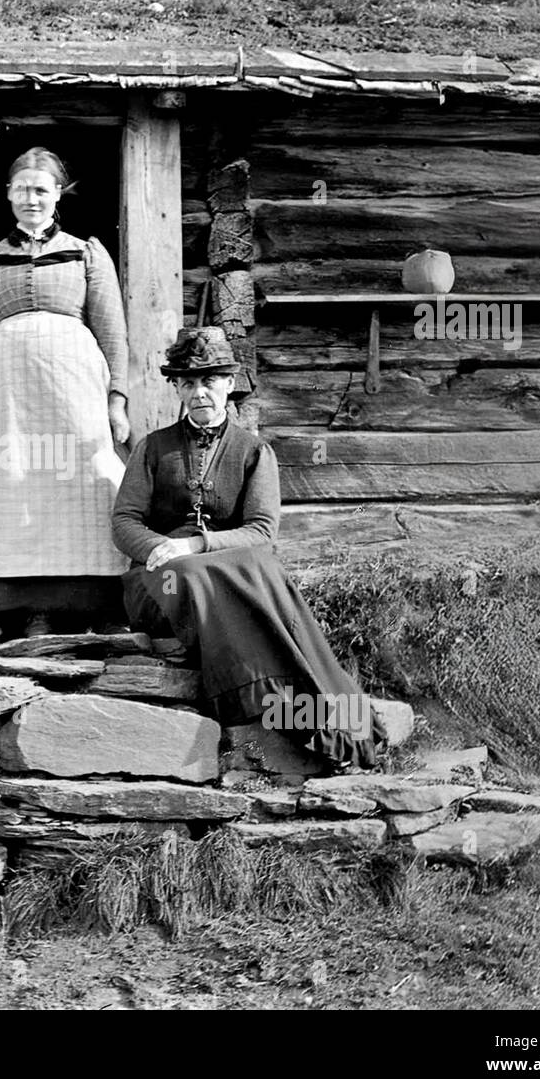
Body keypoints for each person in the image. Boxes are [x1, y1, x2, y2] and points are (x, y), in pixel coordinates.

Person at [111, 326, 381, 771]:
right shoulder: (152, 449)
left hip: (226, 568)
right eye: (190, 382)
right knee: (194, 575)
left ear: (230, 384)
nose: (201, 393)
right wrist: (161, 546)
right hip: (163, 579)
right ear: (177, 387)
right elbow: (124, 522)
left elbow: (261, 531)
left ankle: (311, 713)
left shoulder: (254, 451)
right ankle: (274, 704)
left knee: (257, 567)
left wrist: (197, 544)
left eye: (211, 380)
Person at [0, 146, 131, 637]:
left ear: (58, 196)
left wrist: (117, 400)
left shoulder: (87, 252)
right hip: (5, 396)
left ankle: (96, 603)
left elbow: (112, 331)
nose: (31, 198)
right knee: (15, 483)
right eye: (22, 189)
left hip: (75, 388)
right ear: (8, 194)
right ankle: (27, 609)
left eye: (41, 190)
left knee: (89, 477)